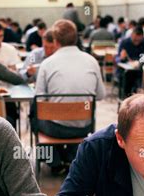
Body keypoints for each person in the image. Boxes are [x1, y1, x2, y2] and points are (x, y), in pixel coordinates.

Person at [35, 19, 105, 173]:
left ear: (55, 40)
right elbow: (100, 95)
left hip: (56, 128)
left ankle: (54, 161)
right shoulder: (91, 61)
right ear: (76, 37)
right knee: (73, 121)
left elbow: (39, 100)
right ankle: (73, 158)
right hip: (84, 127)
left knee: (35, 116)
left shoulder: (47, 64)